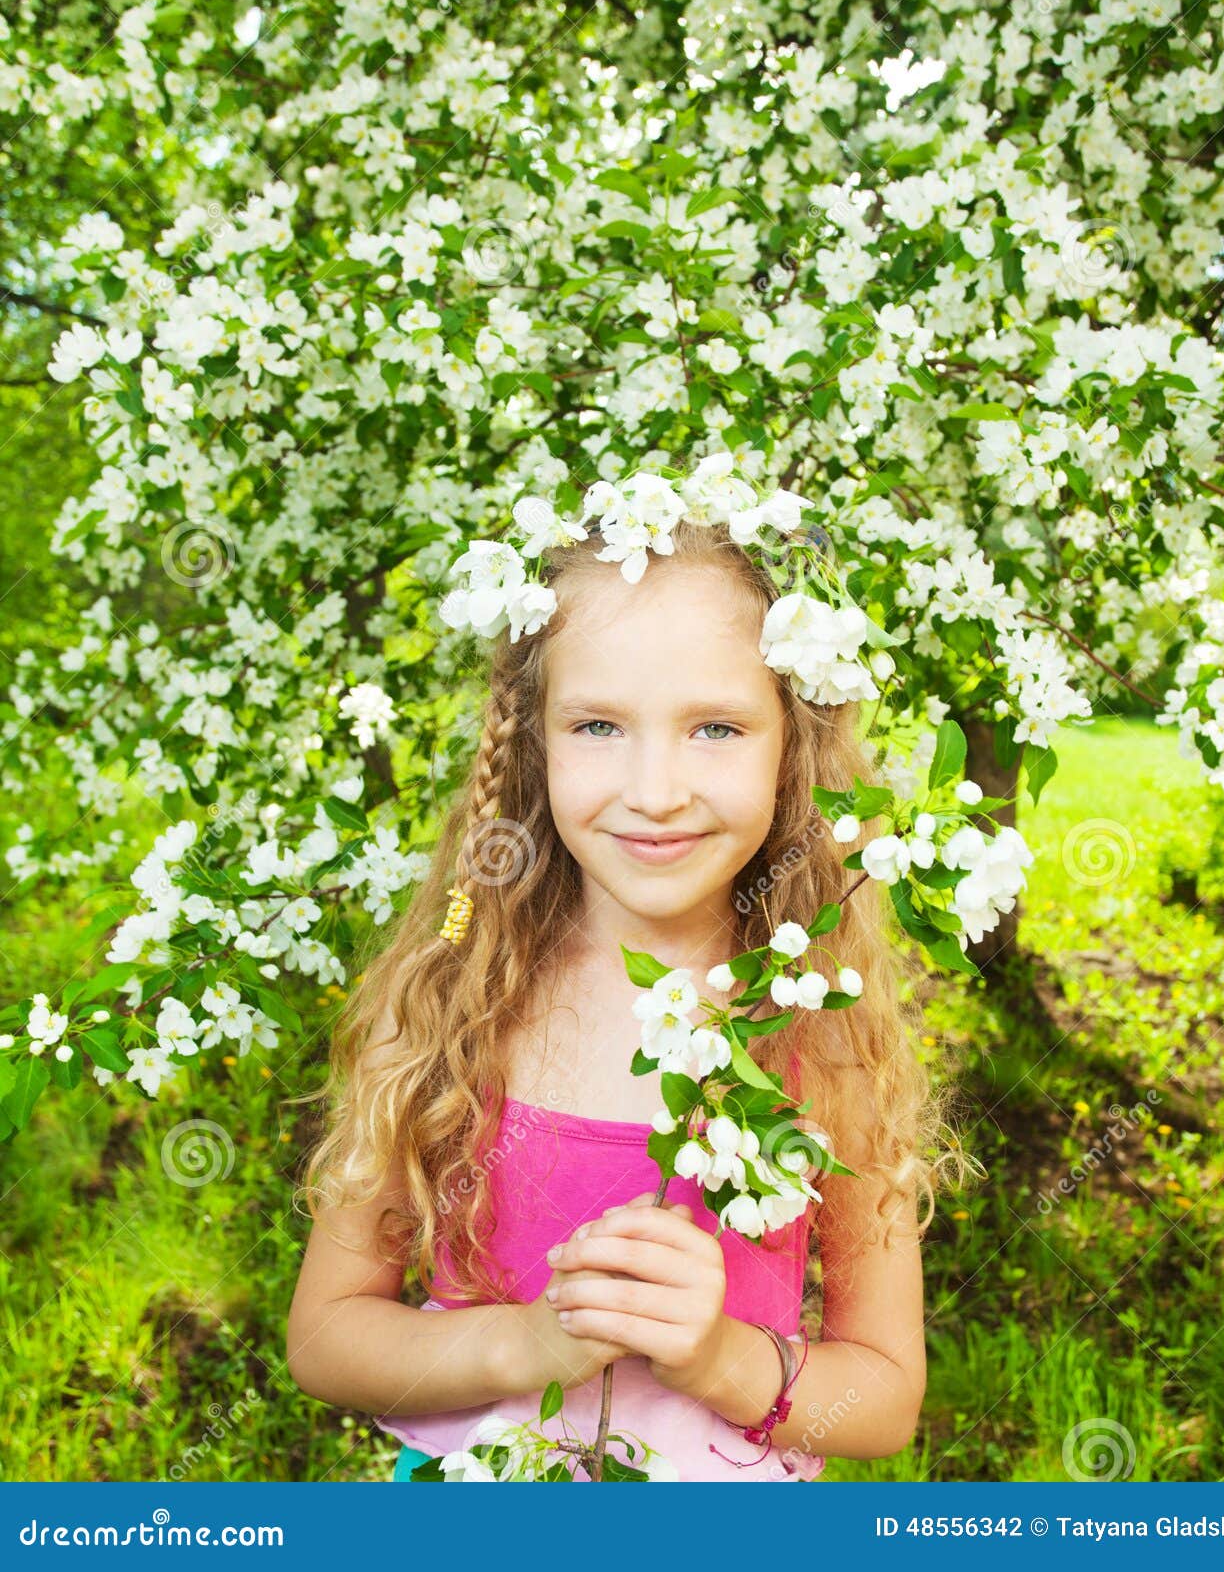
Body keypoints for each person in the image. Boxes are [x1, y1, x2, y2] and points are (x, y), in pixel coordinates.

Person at [287, 513, 965, 1481]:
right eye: (598, 725)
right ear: (533, 745)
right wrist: (522, 1345)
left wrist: (720, 1360)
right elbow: (324, 1339)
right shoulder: (452, 1005)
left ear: (791, 749)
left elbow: (884, 1398)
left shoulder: (822, 1032)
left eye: (716, 728)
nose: (653, 790)